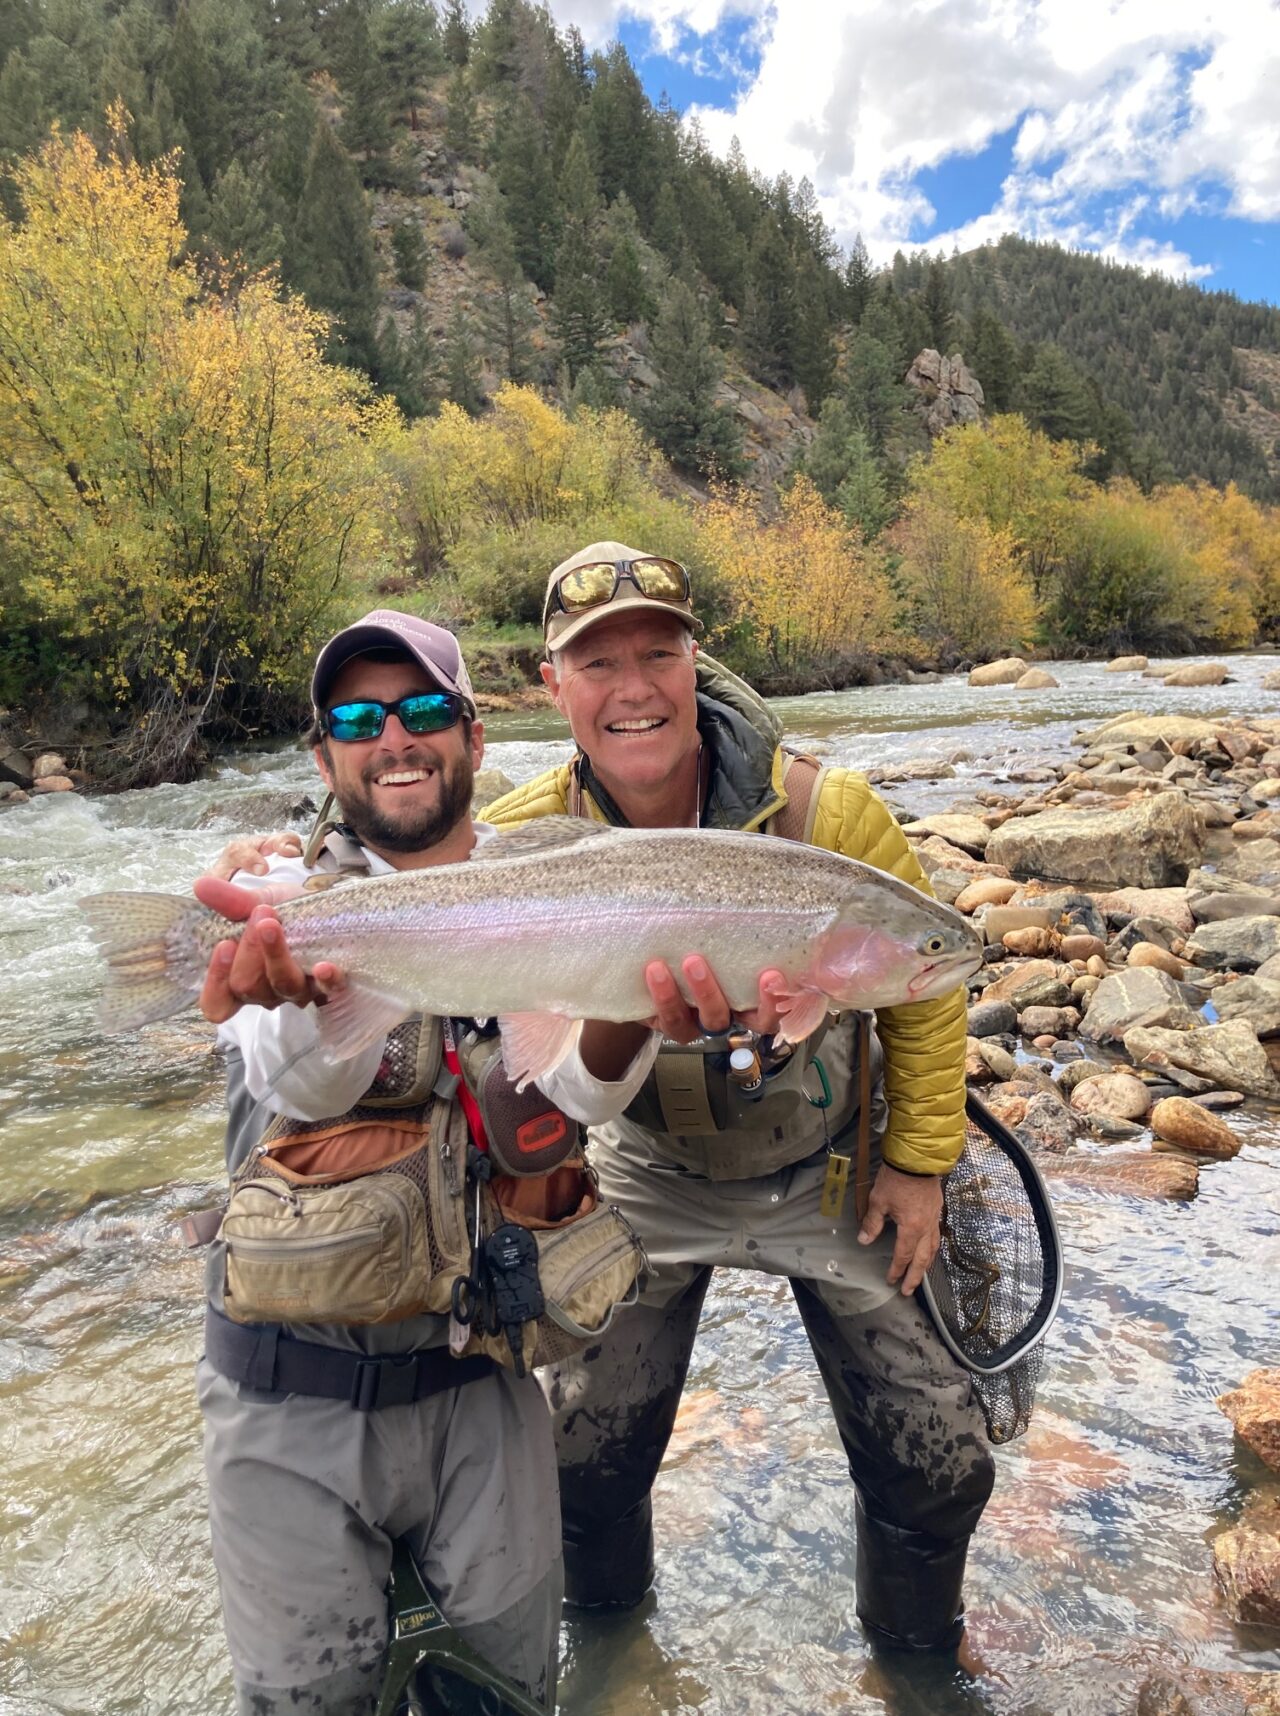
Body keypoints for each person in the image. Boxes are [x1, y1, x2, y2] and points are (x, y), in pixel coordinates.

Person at [482, 543, 996, 1661]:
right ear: (550, 686)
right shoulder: (526, 832)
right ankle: (613, 1659)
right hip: (644, 1172)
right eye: (597, 662)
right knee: (578, 1459)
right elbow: (467, 984)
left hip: (829, 1170)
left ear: (693, 660)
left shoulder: (829, 813)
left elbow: (928, 989)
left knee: (937, 1459)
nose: (632, 689)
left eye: (656, 653)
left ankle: (914, 1663)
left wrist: (918, 1163)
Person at [189, 610, 672, 1716]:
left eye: (420, 711)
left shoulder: (558, 881)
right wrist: (297, 977)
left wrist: (643, 1007)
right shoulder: (276, 899)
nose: (392, 738)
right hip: (287, 1397)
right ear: (323, 756)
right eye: (358, 718)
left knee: (510, 1693)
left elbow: (580, 1095)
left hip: (484, 1383)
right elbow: (300, 1086)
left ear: (473, 734)